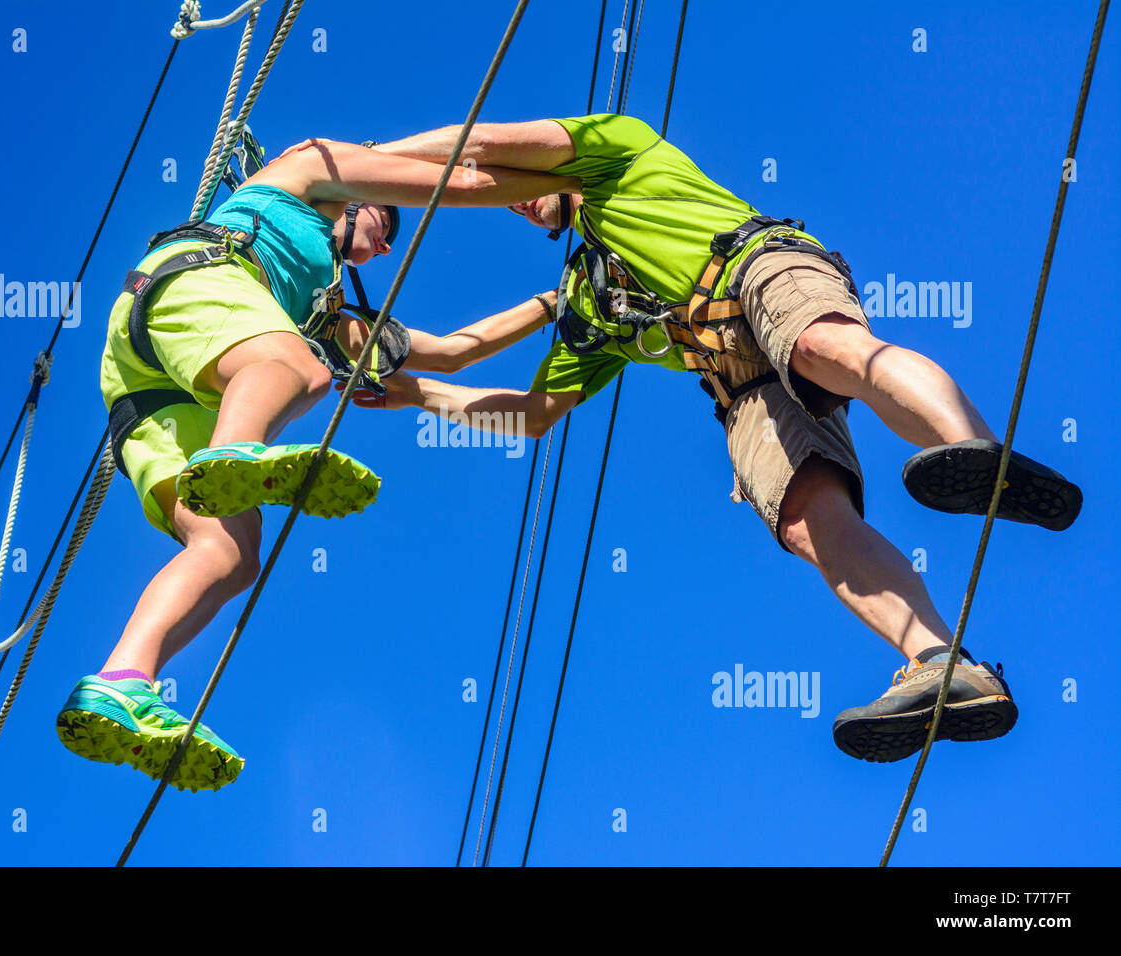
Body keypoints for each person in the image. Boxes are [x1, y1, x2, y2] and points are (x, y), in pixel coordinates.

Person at [337, 113, 1083, 763]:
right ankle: (941, 663)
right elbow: (528, 409)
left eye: (524, 184)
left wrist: (360, 163)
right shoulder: (587, 302)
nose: (524, 201)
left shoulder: (616, 151)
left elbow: (489, 138)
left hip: (758, 270)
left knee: (823, 347)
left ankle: (980, 456)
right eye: (515, 205)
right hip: (739, 381)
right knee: (806, 521)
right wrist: (413, 394)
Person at [55, 139, 578, 791]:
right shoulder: (308, 169)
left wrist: (555, 302)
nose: (386, 247)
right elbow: (459, 183)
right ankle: (230, 453)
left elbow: (450, 356)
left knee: (230, 554)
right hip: (192, 283)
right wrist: (567, 191)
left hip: (150, 386)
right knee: (300, 374)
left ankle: (121, 683)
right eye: (385, 224)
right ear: (359, 199)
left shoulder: (324, 314)